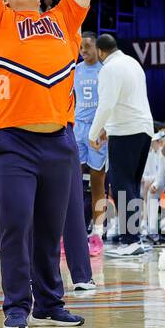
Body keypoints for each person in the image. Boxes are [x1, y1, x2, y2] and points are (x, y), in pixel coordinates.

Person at [0, 0, 92, 328]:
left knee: (50, 228)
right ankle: (15, 308)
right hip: (15, 142)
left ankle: (49, 302)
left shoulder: (63, 20)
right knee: (17, 225)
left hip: (60, 141)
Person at [87, 33, 154, 257]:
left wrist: (93, 133)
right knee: (132, 186)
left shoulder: (108, 69)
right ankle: (134, 238)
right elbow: (126, 100)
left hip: (126, 131)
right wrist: (108, 128)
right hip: (143, 130)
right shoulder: (132, 62)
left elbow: (106, 104)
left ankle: (131, 240)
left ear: (101, 52)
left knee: (121, 185)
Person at [70, 34, 108, 253]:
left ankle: (98, 232)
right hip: (78, 127)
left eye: (87, 46)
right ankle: (74, 231)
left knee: (97, 182)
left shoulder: (105, 70)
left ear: (98, 48)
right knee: (72, 181)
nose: (83, 50)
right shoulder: (75, 70)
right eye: (81, 47)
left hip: (98, 130)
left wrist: (106, 127)